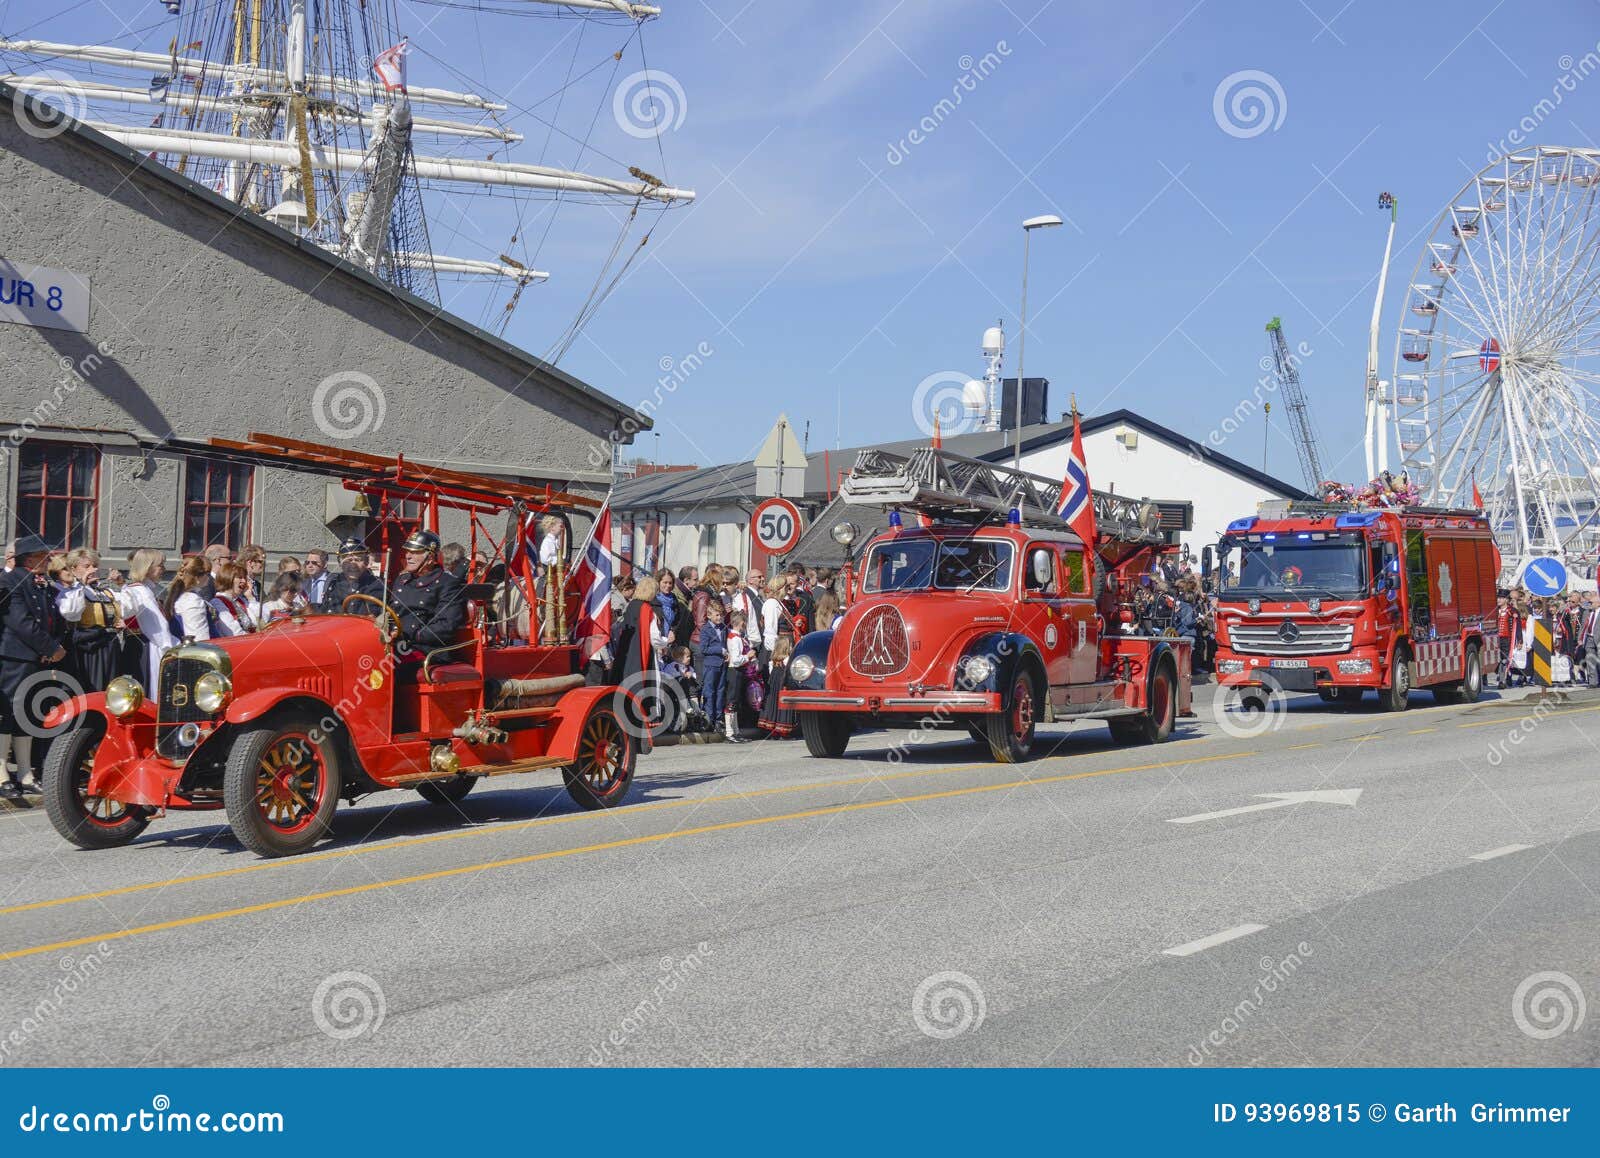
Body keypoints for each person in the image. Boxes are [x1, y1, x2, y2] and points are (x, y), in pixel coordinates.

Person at [0, 535, 67, 799]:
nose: (49, 559)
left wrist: (55, 647)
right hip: (15, 657)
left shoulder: (42, 583)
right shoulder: (10, 580)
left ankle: (25, 773)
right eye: (44, 555)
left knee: (28, 714)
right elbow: (21, 622)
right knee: (7, 715)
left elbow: (54, 620)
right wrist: (50, 648)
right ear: (29, 558)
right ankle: (3, 774)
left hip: (38, 658)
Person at [389, 529, 467, 661]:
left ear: (430, 558)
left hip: (427, 649)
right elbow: (390, 611)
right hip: (396, 644)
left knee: (386, 666)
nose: (408, 556)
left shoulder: (448, 584)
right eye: (408, 551)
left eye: (415, 552)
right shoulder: (402, 580)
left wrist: (407, 633)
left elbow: (445, 627)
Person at [57, 547, 121, 692]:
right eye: (87, 566)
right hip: (89, 648)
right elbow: (71, 613)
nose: (92, 569)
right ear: (74, 570)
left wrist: (120, 584)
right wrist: (81, 585)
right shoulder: (70, 593)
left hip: (109, 647)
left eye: (95, 565)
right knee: (93, 689)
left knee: (110, 690)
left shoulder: (103, 591)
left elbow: (128, 609)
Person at [114, 549, 172, 691]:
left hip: (143, 643)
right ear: (148, 567)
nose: (163, 569)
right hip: (147, 646)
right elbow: (157, 626)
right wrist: (169, 648)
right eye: (160, 565)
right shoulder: (142, 591)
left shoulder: (144, 589)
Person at [320, 538, 386, 615]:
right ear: (339, 562)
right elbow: (325, 611)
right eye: (348, 560)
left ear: (367, 561)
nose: (353, 565)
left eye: (358, 559)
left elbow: (370, 616)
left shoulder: (375, 584)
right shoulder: (333, 582)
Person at [162, 556, 218, 642]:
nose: (208, 577)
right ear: (197, 577)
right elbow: (199, 637)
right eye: (207, 574)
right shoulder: (192, 600)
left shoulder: (181, 596)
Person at [757, 637, 797, 738]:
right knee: (783, 705)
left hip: (773, 685)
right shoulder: (787, 659)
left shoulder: (773, 659)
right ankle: (783, 730)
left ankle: (773, 730)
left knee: (773, 705)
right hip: (783, 684)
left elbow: (771, 672)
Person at [699, 599, 728, 737]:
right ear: (709, 615)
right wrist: (720, 650)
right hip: (711, 665)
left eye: (721, 615)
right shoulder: (705, 629)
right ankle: (709, 719)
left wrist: (727, 653)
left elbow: (725, 644)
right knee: (709, 692)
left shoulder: (723, 628)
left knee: (720, 691)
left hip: (722, 664)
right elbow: (704, 649)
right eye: (717, 615)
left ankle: (718, 719)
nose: (720, 618)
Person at [211, 561, 260, 636]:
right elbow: (233, 632)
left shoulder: (240, 600)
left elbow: (259, 621)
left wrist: (250, 597)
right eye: (240, 578)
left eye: (244, 578)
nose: (244, 581)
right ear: (228, 578)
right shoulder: (218, 602)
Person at [724, 610, 752, 742]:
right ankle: (730, 732)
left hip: (739, 671)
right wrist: (748, 656)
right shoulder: (735, 638)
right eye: (744, 622)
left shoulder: (738, 637)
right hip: (734, 670)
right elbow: (735, 660)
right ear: (741, 623)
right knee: (731, 701)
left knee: (735, 701)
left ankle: (735, 731)